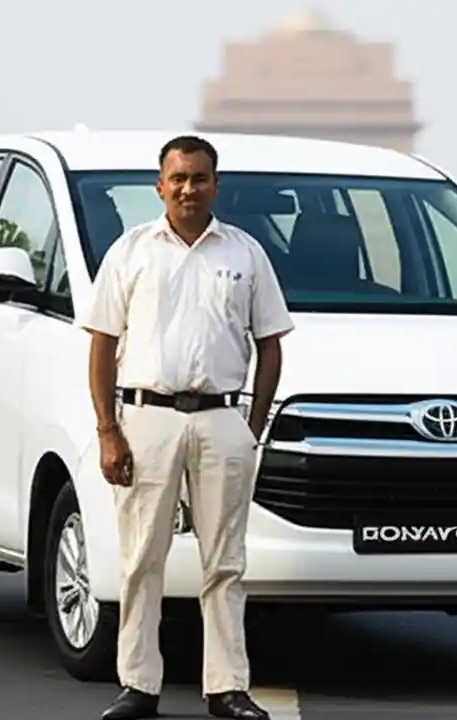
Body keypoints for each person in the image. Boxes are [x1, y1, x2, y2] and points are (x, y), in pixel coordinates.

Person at [76, 134, 293, 720]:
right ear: (160, 185)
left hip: (223, 420)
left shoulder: (244, 254)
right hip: (146, 418)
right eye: (178, 178)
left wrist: (253, 423)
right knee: (142, 557)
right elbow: (102, 345)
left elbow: (270, 342)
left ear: (216, 185)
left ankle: (227, 687)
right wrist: (107, 430)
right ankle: (138, 686)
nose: (189, 189)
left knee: (225, 561)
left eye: (200, 178)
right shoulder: (131, 252)